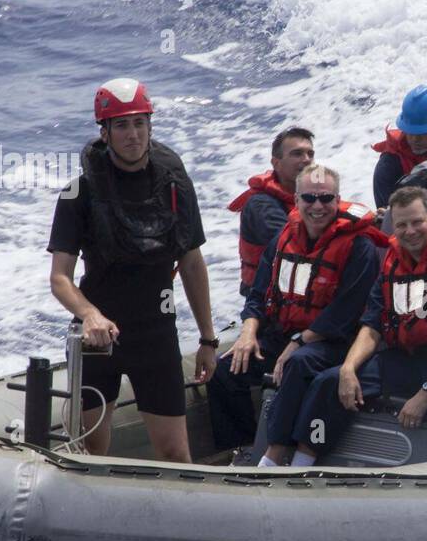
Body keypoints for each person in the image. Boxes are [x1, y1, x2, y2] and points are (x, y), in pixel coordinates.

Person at [48, 77, 216, 462]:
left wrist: (208, 340)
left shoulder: (175, 183)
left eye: (140, 123)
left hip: (155, 335)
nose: (132, 134)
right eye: (121, 125)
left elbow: (191, 262)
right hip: (97, 339)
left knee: (175, 454)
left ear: (151, 126)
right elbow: (60, 278)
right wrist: (90, 315)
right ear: (104, 132)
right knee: (90, 451)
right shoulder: (78, 193)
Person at [284, 185, 427, 466]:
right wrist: (349, 369)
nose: (410, 231)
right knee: (331, 381)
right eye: (401, 225)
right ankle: (303, 463)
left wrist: (425, 393)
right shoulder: (392, 262)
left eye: (417, 222)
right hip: (409, 361)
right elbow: (372, 326)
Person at [208, 163, 386, 460]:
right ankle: (240, 450)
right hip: (281, 334)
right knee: (224, 371)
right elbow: (258, 294)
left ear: (338, 200)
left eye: (327, 198)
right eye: (309, 198)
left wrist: (300, 340)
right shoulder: (283, 239)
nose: (318, 206)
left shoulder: (359, 247)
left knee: (299, 363)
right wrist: (248, 333)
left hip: (333, 341)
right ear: (297, 199)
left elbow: (345, 312)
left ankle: (277, 456)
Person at [226, 127, 315, 297]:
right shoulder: (261, 205)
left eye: (310, 154)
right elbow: (290, 246)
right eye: (297, 154)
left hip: (299, 291)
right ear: (276, 163)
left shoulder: (311, 197)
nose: (306, 160)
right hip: (268, 299)